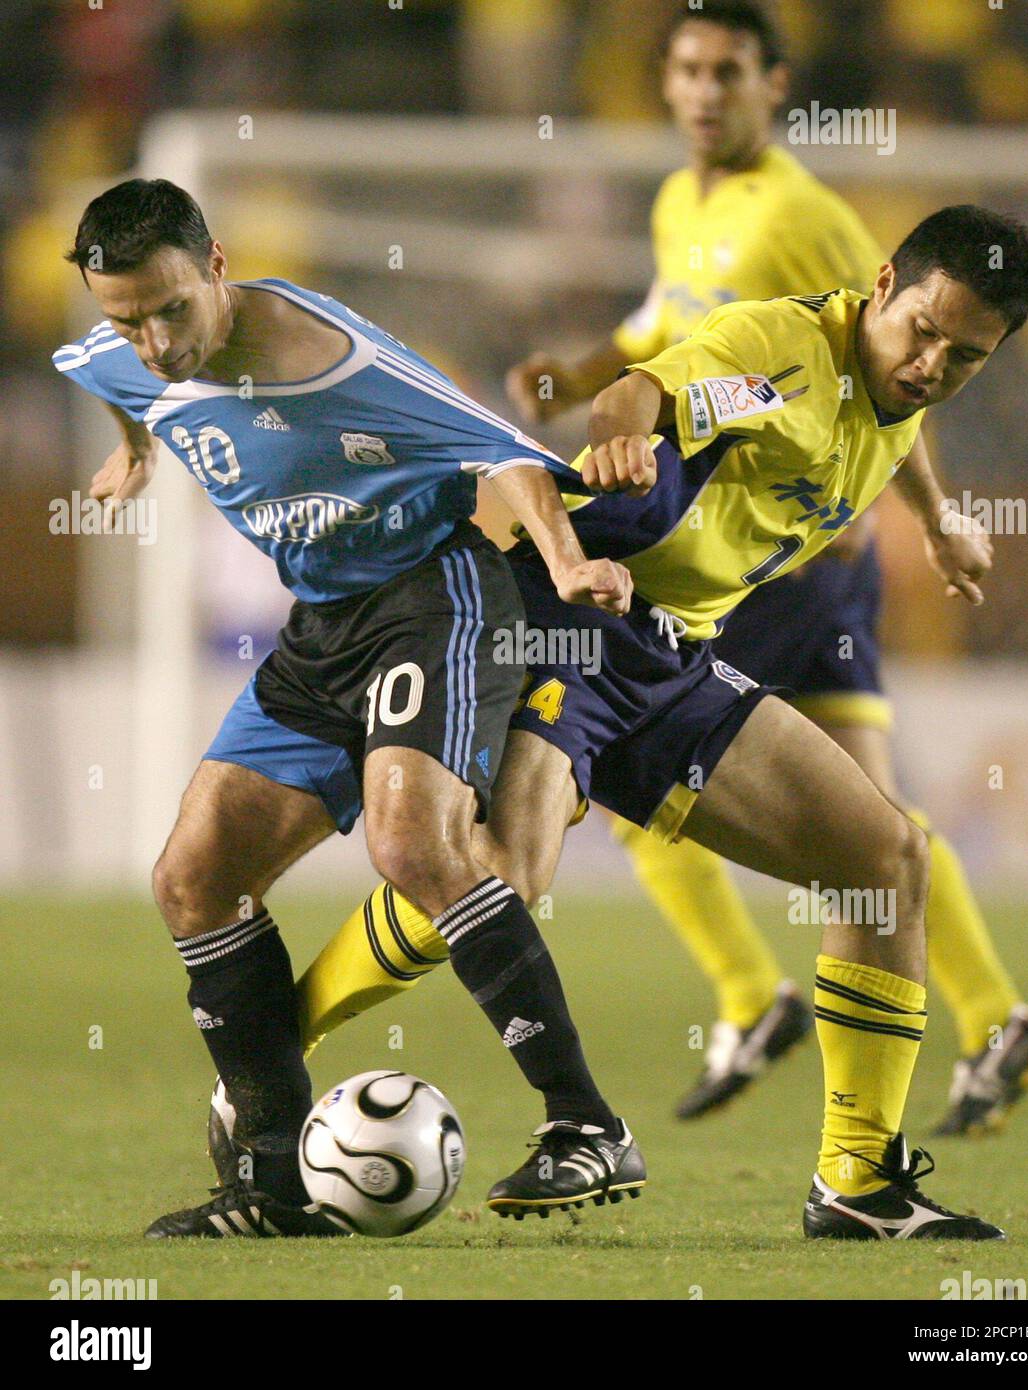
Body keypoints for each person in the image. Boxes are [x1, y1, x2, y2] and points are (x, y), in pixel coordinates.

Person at [263, 205, 1028, 1238]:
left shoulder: (896, 385)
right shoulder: (784, 353)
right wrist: (623, 428)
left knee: (883, 854)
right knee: (504, 875)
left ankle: (857, 1184)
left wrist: (940, 520)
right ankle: (271, 1055)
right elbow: (649, 389)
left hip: (666, 653)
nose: (931, 364)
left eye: (965, 358)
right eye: (923, 331)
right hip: (564, 611)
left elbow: (897, 429)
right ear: (884, 281)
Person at [54, 177, 649, 1240]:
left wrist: (564, 563)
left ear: (220, 265)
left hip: (432, 597)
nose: (149, 341)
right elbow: (106, 372)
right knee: (192, 880)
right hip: (322, 626)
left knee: (411, 844)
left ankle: (586, 1120)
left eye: (169, 310)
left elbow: (501, 447)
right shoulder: (126, 351)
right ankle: (277, 1181)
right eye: (126, 317)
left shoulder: (334, 362)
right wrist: (136, 445)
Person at [506, 0, 1028, 1132]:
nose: (706, 93)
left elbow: (902, 360)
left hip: (790, 550)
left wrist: (923, 514)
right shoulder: (681, 202)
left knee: (650, 764)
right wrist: (577, 374)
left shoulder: (804, 218)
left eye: (730, 73)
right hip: (768, 534)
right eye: (688, 72)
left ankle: (757, 998)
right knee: (861, 823)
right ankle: (985, 1015)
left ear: (774, 85)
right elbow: (670, 326)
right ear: (664, 84)